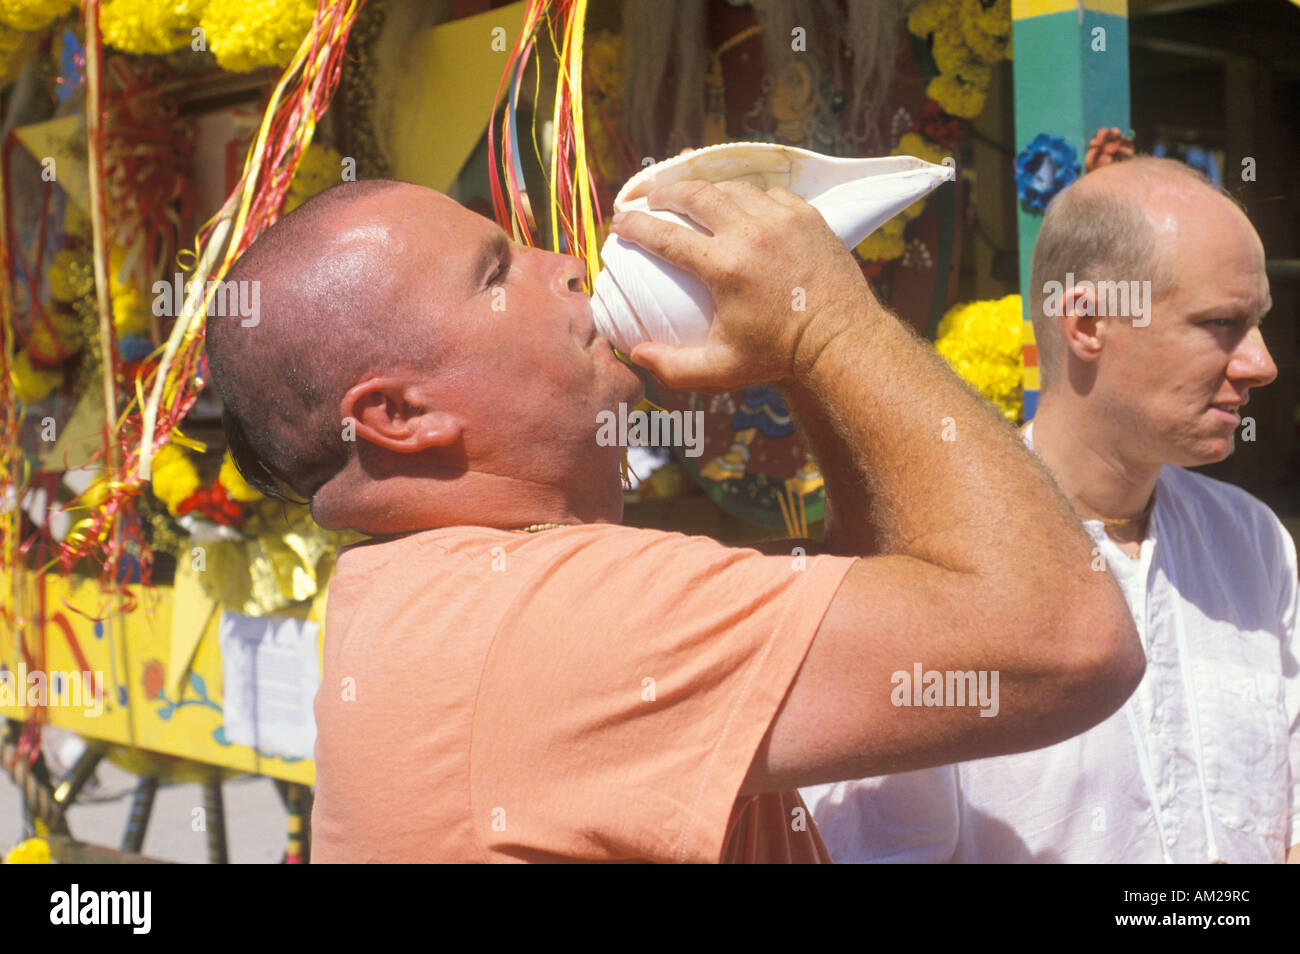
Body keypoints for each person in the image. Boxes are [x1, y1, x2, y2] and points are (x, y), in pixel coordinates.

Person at [203, 177, 1143, 863]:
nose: (565, 265)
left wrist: (799, 361)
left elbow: (907, 607)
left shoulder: (457, 589)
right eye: (496, 273)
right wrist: (828, 329)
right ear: (399, 418)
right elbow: (1067, 641)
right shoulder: (545, 617)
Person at [804, 157, 1299, 864]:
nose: (1261, 363)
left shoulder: (1250, 541)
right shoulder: (932, 561)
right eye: (1222, 324)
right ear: (1089, 322)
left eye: (1255, 323)